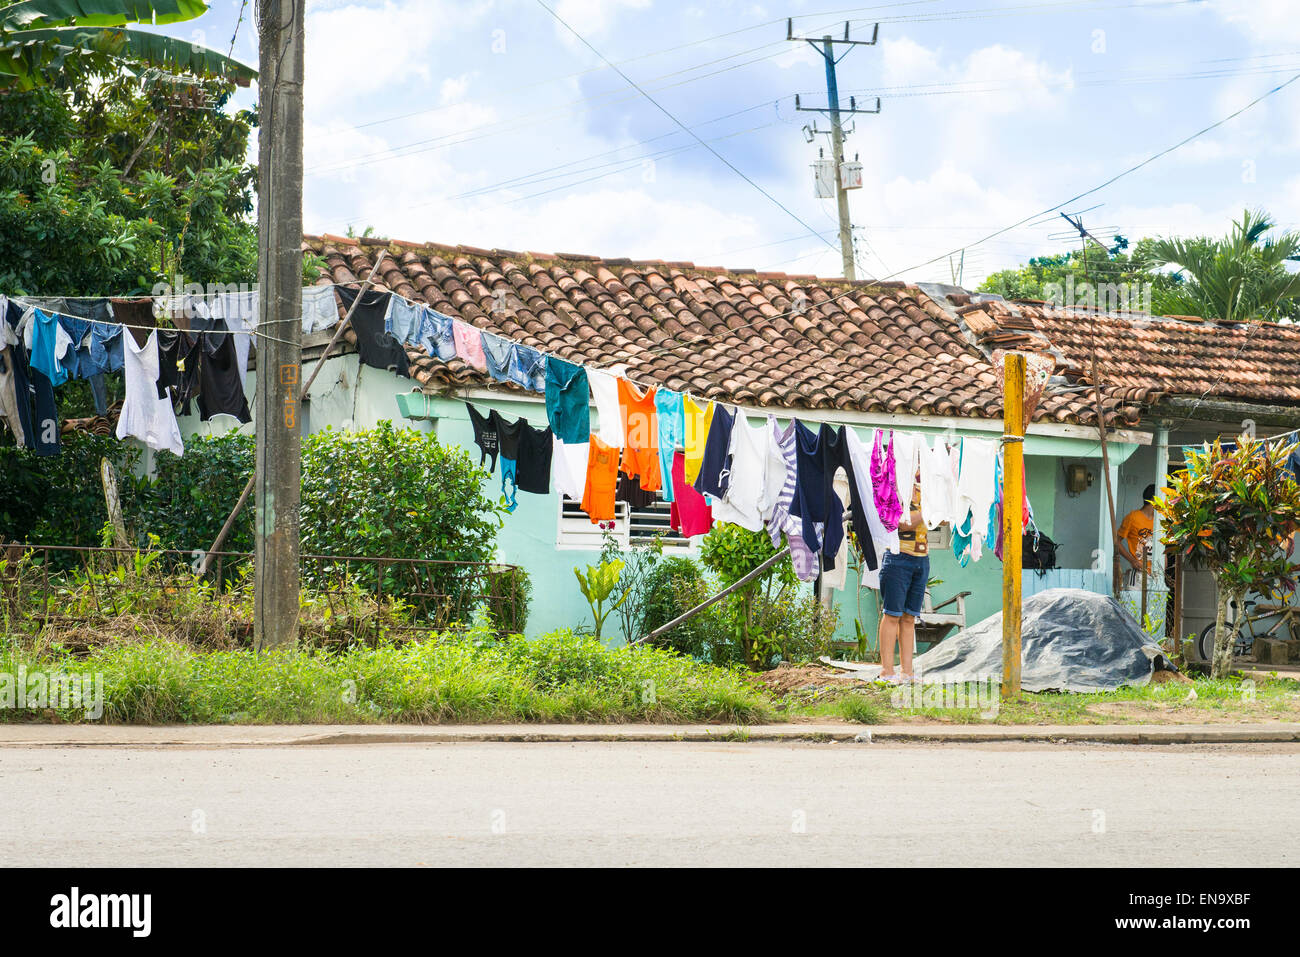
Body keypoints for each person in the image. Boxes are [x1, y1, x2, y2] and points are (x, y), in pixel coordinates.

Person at [878, 474, 928, 683]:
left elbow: (941, 520)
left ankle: (907, 673)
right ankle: (886, 672)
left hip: (922, 559)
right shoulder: (896, 489)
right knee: (892, 615)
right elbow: (901, 523)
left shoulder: (927, 490)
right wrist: (930, 510)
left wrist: (939, 509)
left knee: (909, 618)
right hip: (898, 557)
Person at [1118, 484, 1156, 588]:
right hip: (1139, 573)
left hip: (1157, 573)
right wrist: (1132, 560)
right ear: (1154, 498)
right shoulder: (1133, 517)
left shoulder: (1159, 519)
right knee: (1135, 603)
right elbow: (1116, 542)